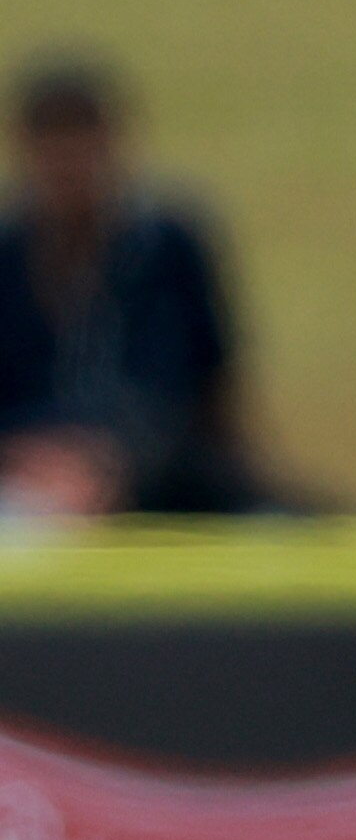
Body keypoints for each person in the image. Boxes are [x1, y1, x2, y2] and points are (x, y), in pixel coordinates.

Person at [0, 56, 306, 519]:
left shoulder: (167, 246)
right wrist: (36, 455)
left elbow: (204, 388)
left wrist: (113, 459)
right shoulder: (10, 256)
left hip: (159, 471)